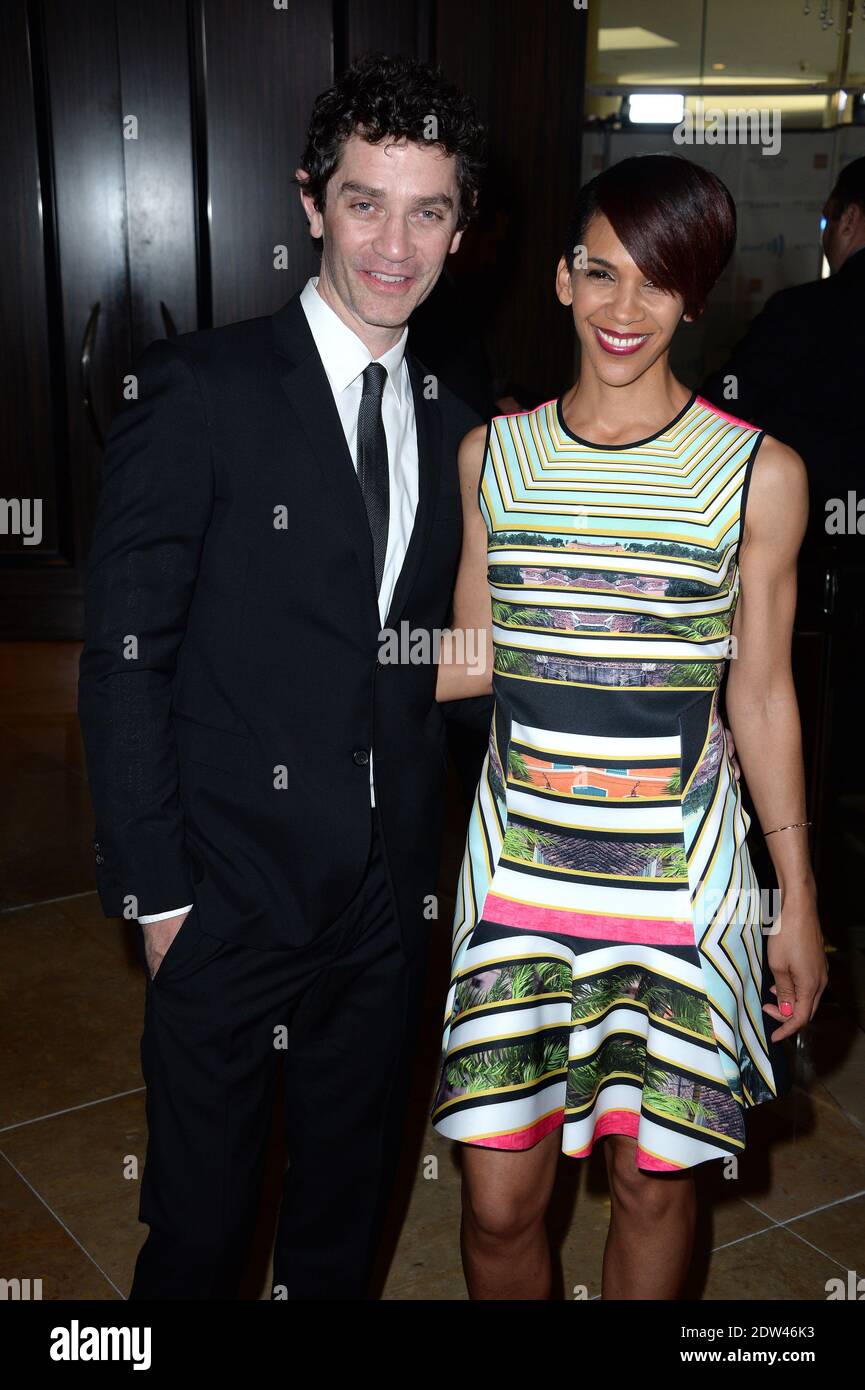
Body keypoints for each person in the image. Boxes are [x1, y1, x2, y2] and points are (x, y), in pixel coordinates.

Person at [78, 53, 488, 1300]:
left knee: (343, 1211)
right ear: (310, 202)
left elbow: (443, 651)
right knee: (200, 1238)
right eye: (365, 201)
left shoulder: (455, 411)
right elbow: (125, 657)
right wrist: (158, 894)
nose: (392, 242)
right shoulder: (200, 391)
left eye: (427, 210)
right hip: (226, 892)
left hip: (381, 901)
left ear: (460, 230)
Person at [432, 154, 828, 1300]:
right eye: (599, 273)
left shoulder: (759, 474)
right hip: (514, 872)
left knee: (657, 1182)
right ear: (561, 279)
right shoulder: (489, 458)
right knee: (499, 1198)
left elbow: (757, 693)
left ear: (694, 297)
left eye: (657, 282)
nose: (623, 309)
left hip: (679, 882)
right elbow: (469, 662)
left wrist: (793, 895)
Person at [700, 155, 865, 545]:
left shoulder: (803, 313)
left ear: (850, 219)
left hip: (822, 557)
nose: (824, 236)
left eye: (826, 221)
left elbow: (723, 408)